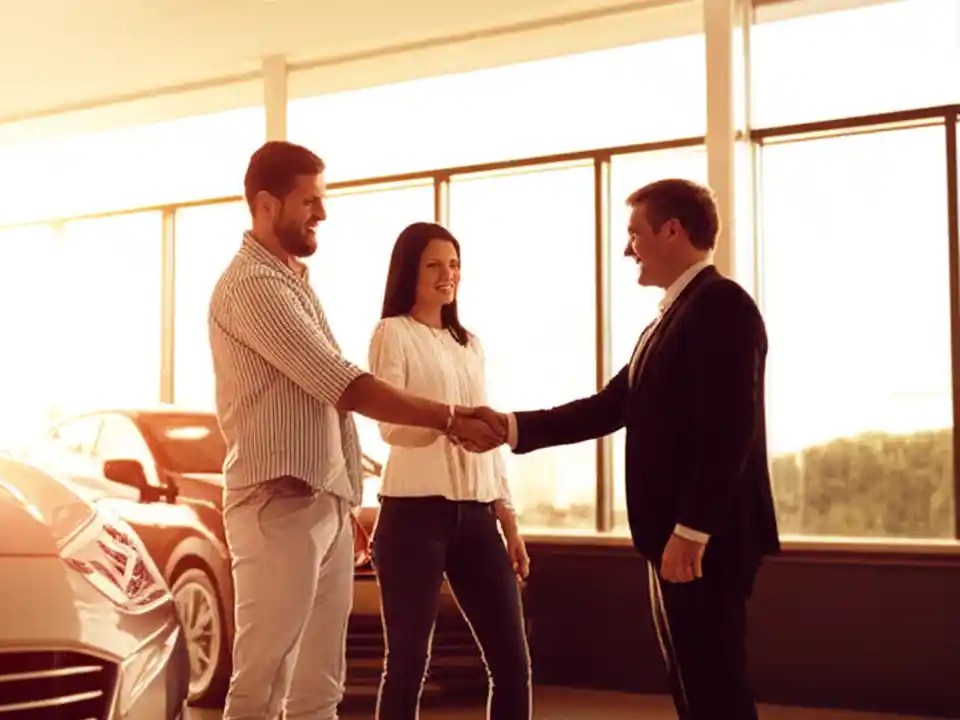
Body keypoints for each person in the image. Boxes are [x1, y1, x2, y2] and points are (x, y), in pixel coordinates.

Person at [207, 140, 505, 720]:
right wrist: (448, 418)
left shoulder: (294, 282)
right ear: (266, 205)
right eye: (309, 201)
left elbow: (323, 409)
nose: (322, 213)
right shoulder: (254, 286)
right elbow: (342, 385)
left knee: (321, 689)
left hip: (322, 507)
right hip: (277, 507)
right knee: (263, 681)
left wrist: (344, 499)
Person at [465, 179, 780, 719]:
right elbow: (609, 406)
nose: (627, 247)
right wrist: (509, 427)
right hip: (674, 539)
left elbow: (732, 429)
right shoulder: (670, 317)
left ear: (672, 231)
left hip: (704, 541)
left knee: (715, 685)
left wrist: (693, 530)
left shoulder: (722, 305)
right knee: (694, 684)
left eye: (634, 233)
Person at [366, 222, 532, 720]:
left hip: (479, 516)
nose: (448, 274)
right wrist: (448, 425)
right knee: (409, 662)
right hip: (412, 516)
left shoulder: (470, 344)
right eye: (434, 264)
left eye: (454, 264)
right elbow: (389, 427)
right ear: (409, 271)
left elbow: (491, 434)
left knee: (512, 662)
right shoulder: (391, 333)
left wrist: (509, 520)